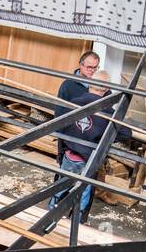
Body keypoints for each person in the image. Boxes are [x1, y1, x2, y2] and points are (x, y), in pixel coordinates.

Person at [49, 71, 117, 215]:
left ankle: (49, 216)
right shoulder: (109, 112)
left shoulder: (74, 103)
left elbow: (60, 123)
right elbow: (124, 133)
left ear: (89, 85)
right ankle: (75, 222)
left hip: (70, 155)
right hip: (90, 159)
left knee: (61, 187)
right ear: (106, 90)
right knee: (83, 192)